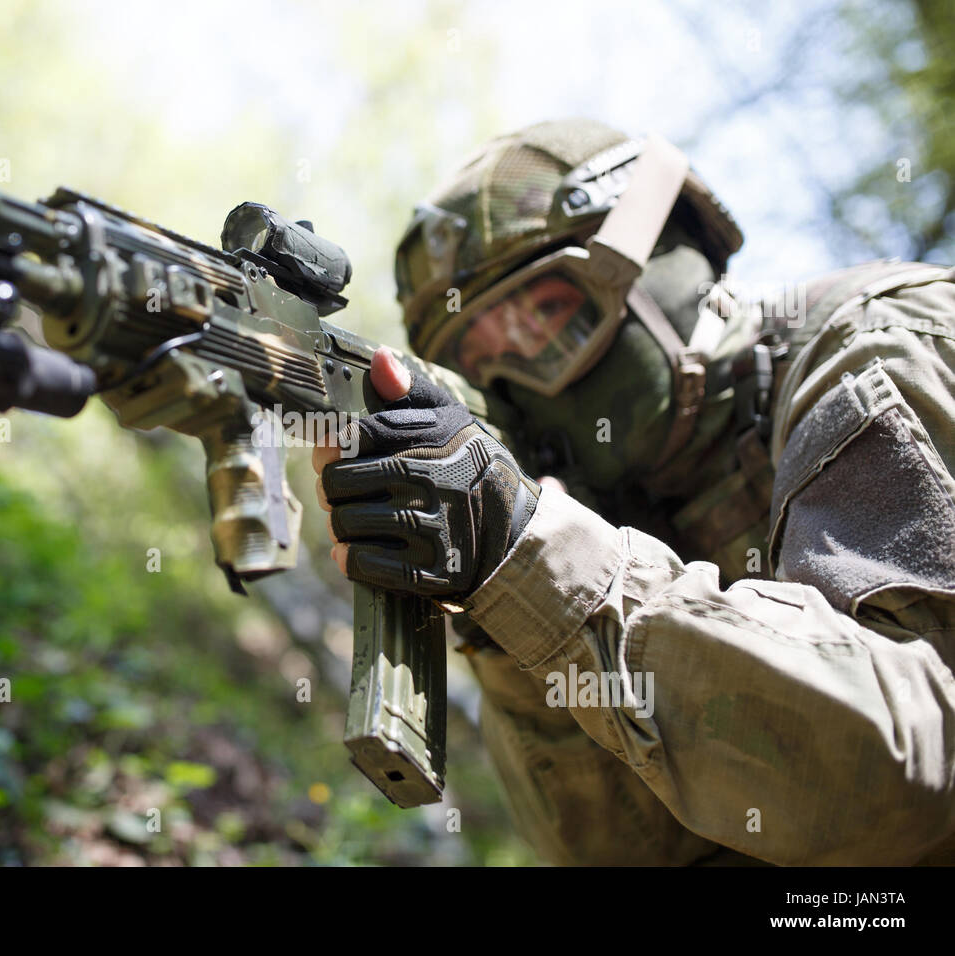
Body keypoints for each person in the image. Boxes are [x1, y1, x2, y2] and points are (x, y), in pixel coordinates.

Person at [312, 119, 955, 865]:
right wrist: (503, 607)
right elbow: (622, 852)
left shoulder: (881, 347)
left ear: (656, 266)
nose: (521, 388)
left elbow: (907, 772)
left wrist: (533, 550)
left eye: (547, 317)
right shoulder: (614, 495)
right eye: (485, 368)